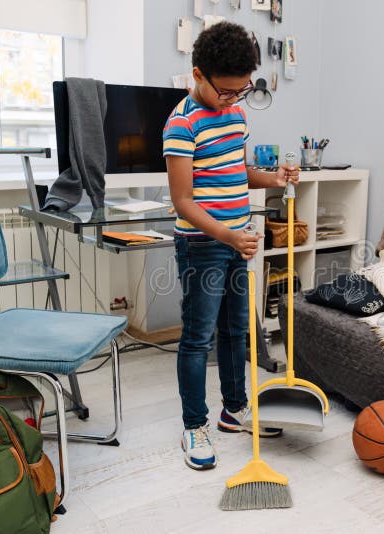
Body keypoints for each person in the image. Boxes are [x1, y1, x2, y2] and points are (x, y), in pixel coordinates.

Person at [162, 21, 299, 470]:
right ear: (198, 74)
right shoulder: (181, 125)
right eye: (225, 91)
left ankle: (233, 409)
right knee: (198, 338)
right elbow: (183, 201)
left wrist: (275, 178)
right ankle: (193, 424)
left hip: (238, 243)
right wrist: (227, 235)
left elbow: (239, 174)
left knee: (237, 331)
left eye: (240, 92)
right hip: (203, 246)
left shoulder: (237, 115)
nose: (232, 100)